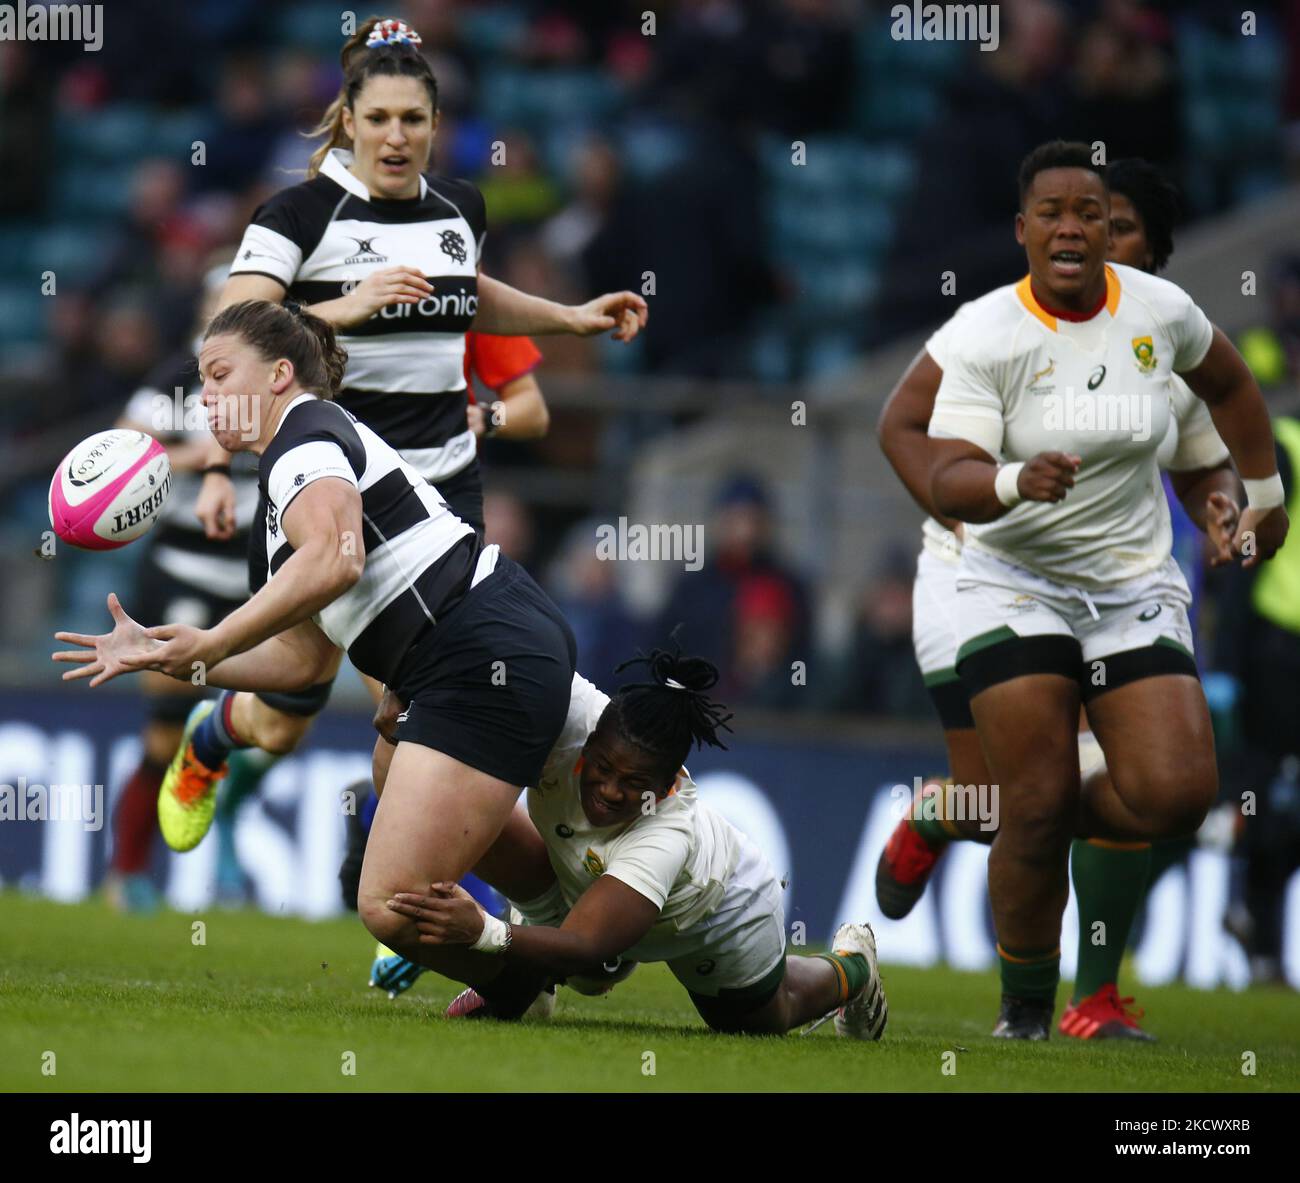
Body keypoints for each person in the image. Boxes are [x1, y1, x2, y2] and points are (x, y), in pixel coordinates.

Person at [163, 16, 646, 854]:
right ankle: (213, 738)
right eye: (379, 118)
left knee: (424, 708)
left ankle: (416, 890)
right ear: (347, 119)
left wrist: (570, 319)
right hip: (330, 488)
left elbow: (470, 291)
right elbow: (227, 326)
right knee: (288, 710)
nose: (396, 136)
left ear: (437, 125)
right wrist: (345, 308)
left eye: (413, 120)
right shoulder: (299, 214)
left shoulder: (461, 207)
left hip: (441, 497)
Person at [54, 299, 576, 1001]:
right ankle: (560, 937)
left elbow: (336, 558)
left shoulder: (307, 435)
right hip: (475, 651)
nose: (204, 396)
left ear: (276, 375)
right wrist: (174, 656)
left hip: (480, 647)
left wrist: (214, 636)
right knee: (392, 777)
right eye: (199, 381)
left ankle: (554, 955)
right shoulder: (281, 492)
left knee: (387, 902)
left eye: (218, 374)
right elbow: (301, 661)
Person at [892, 140, 1288, 1039]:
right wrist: (998, 486)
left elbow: (1216, 418)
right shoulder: (987, 332)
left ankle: (1040, 840)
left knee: (1173, 791)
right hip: (997, 574)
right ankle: (1036, 1010)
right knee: (1014, 802)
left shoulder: (1163, 324)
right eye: (1060, 215)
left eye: (1103, 221)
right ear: (1024, 230)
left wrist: (1247, 502)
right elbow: (912, 436)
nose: (1087, 234)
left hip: (1127, 584)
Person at [383, 644, 889, 1038]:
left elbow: (584, 945)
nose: (608, 790)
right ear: (592, 737)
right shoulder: (568, 713)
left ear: (668, 785)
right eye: (602, 767)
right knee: (474, 808)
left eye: (633, 784)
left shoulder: (667, 832)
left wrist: (481, 932)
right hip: (591, 887)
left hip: (713, 915)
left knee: (763, 1018)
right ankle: (534, 977)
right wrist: (412, 695)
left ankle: (854, 969)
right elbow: (502, 659)